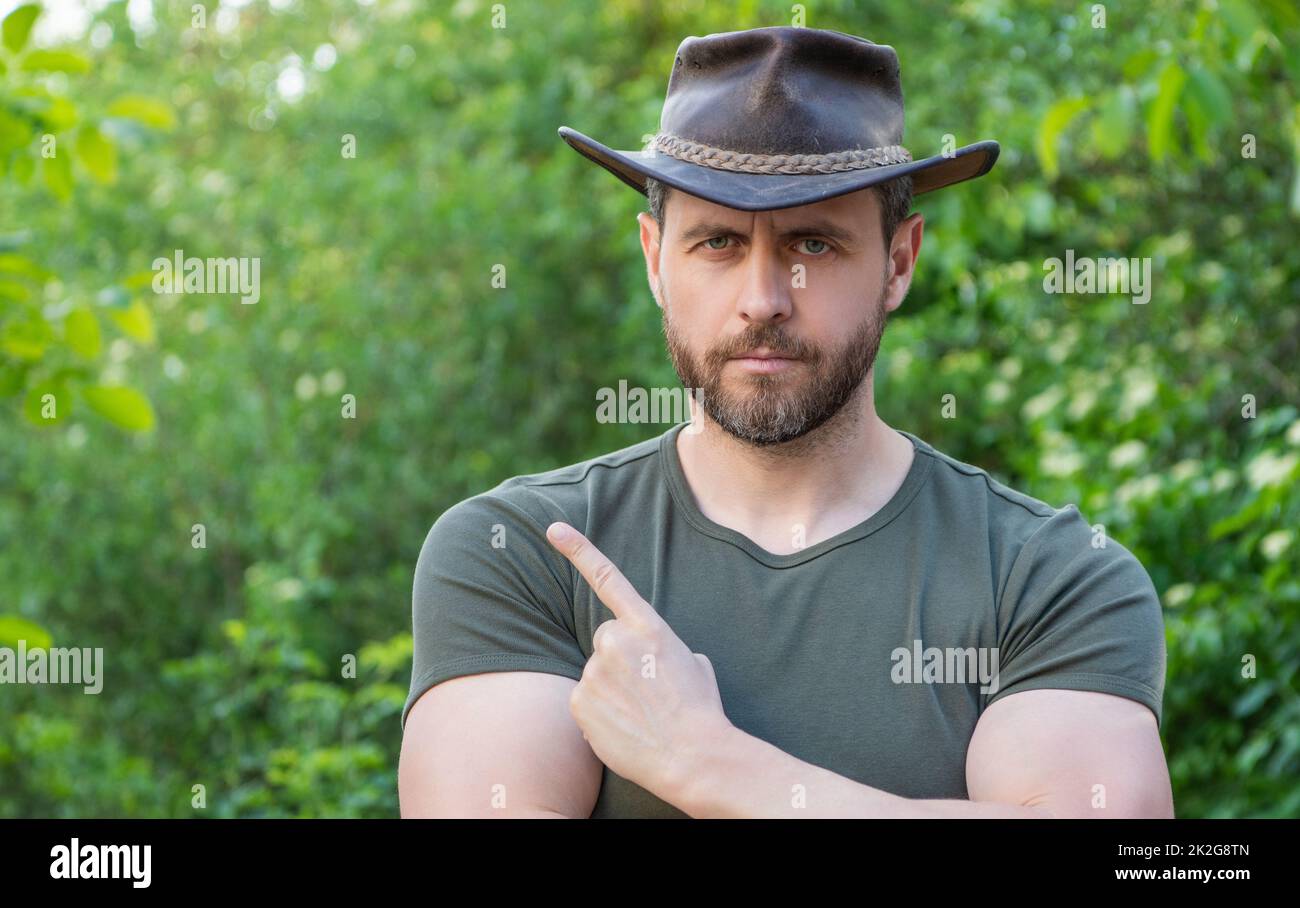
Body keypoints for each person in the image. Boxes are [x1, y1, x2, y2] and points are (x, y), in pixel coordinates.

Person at [398, 25, 1172, 818]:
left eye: (814, 242)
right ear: (653, 258)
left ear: (899, 262)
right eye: (719, 243)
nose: (764, 298)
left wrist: (713, 769)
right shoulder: (520, 554)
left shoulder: (1050, 578)